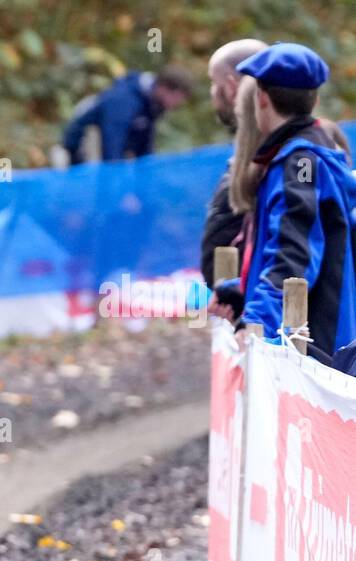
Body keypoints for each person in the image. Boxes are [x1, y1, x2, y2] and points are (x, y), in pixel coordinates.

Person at [210, 43, 356, 358]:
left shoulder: (300, 161)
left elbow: (294, 254)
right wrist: (238, 290)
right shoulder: (296, 155)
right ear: (313, 99)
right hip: (305, 336)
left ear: (261, 98)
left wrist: (258, 319)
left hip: (312, 345)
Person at [200, 39, 267, 285]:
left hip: (261, 309)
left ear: (230, 86)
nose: (212, 91)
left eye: (212, 82)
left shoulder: (269, 155)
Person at [62, 65, 194, 165]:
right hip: (86, 142)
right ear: (163, 88)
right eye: (177, 97)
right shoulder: (124, 99)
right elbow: (112, 142)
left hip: (112, 144)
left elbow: (144, 145)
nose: (178, 103)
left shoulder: (152, 104)